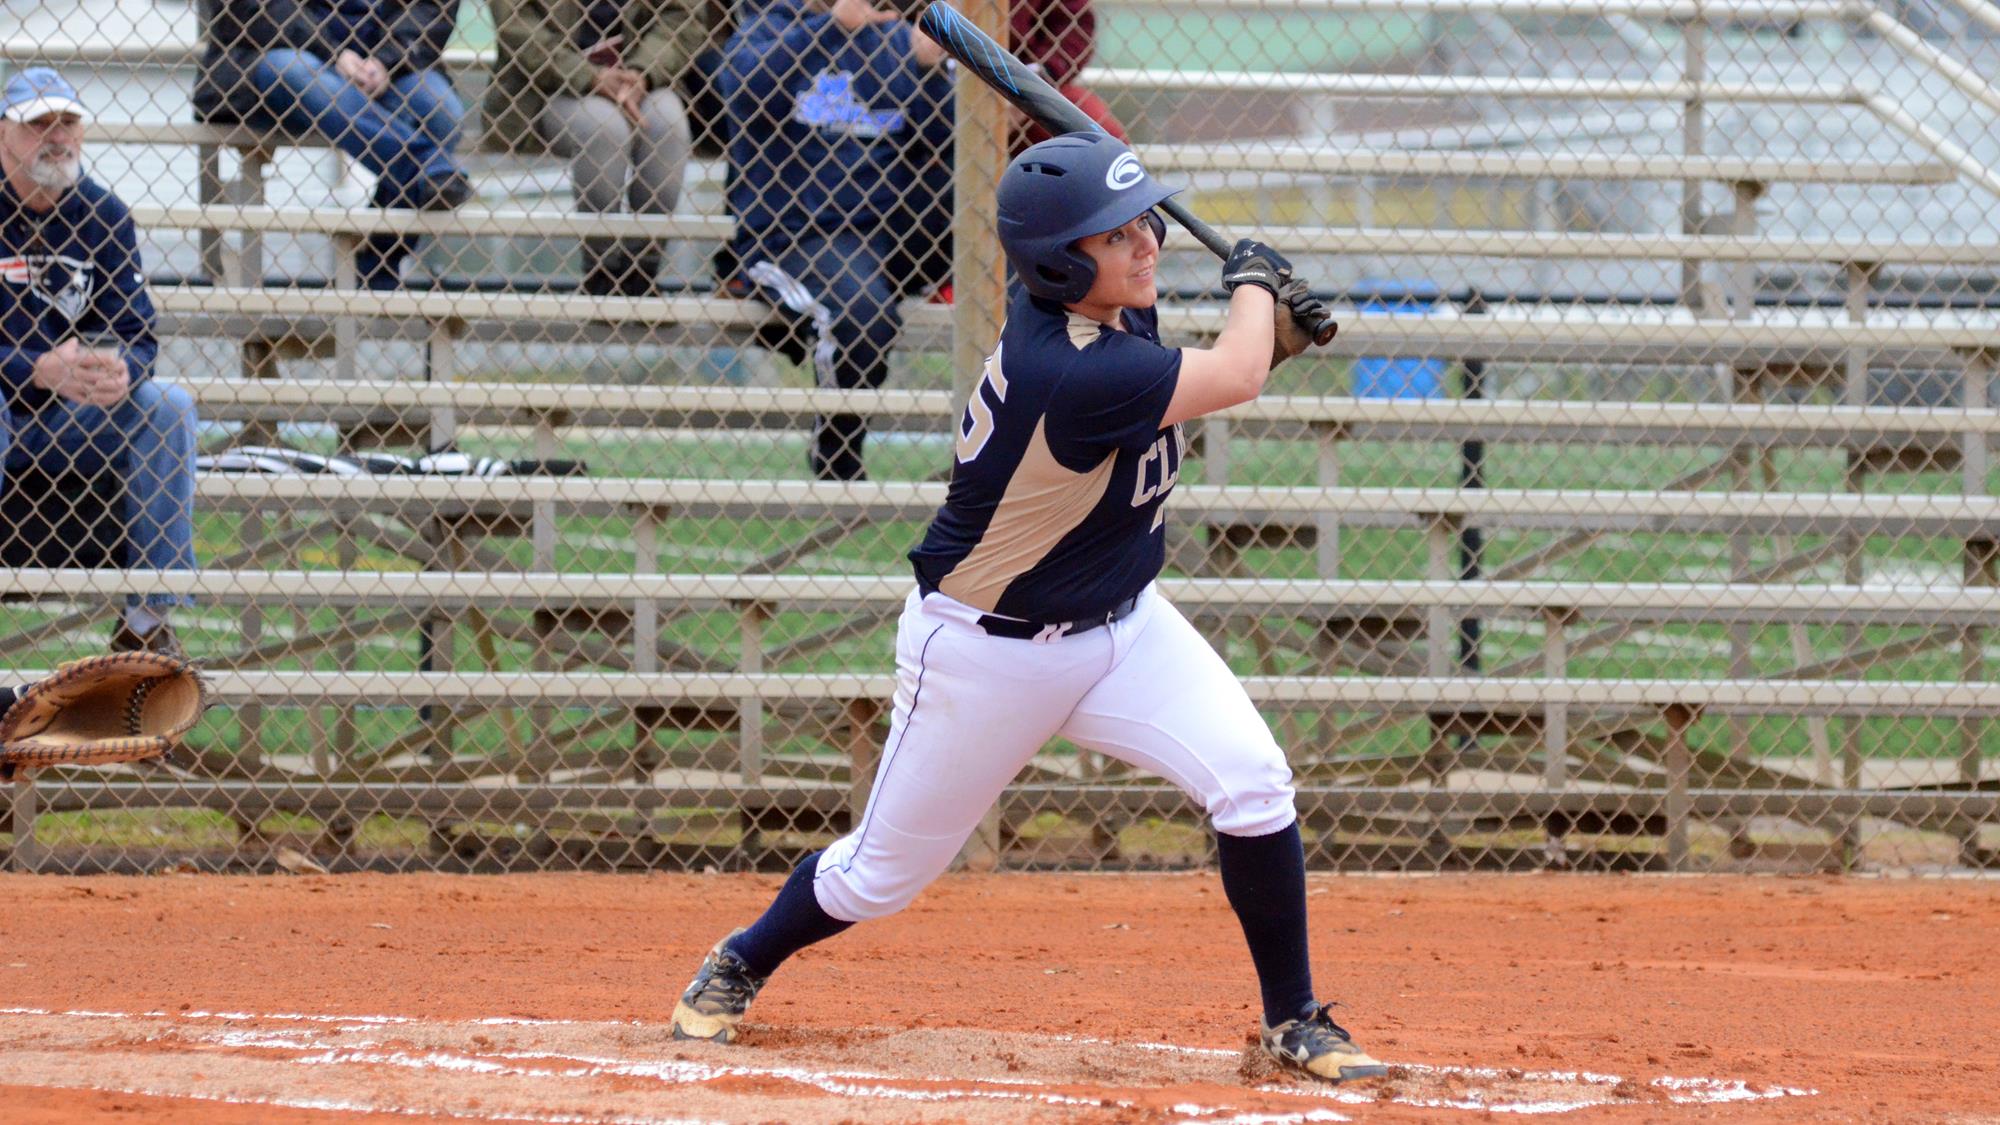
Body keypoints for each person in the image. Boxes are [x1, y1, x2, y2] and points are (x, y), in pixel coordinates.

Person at [670, 133, 1385, 1084]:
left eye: (1142, 223)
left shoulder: (1102, 314)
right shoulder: (1069, 369)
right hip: (985, 655)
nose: (1145, 246)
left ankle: (1293, 1016)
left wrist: (1269, 330)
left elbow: (1212, 377)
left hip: (1123, 626)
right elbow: (1238, 374)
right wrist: (1255, 287)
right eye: (1114, 235)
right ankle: (743, 957)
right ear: (1056, 263)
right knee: (877, 876)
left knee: (1254, 780)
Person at [0, 70, 198, 657]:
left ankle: (146, 622)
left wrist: (123, 371)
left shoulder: (103, 213)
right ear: (3, 133)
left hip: (74, 417)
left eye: (69, 122)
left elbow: (138, 332)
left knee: (168, 406)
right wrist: (33, 368)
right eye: (39, 124)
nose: (57, 137)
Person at [720, 0, 954, 481]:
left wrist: (929, 71)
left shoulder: (891, 40)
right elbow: (745, 87)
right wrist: (830, 28)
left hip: (886, 232)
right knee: (863, 317)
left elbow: (941, 138)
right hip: (795, 235)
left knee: (996, 218)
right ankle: (837, 448)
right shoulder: (766, 26)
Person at [193, 0, 472, 288]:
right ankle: (425, 166)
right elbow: (252, 10)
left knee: (442, 113)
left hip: (388, 63)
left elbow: (432, 9)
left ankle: (376, 257)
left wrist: (388, 59)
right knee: (292, 69)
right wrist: (331, 51)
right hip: (284, 55)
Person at [485, 0, 706, 297]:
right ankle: (602, 273)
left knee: (668, 126)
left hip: (643, 78)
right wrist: (589, 76)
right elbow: (517, 24)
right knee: (604, 129)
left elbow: (683, 17)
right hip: (549, 86)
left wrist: (643, 72)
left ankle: (640, 273)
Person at [1011, 0, 1125, 150]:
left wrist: (1031, 82)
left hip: (1023, 73)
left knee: (1103, 142)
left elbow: (1075, 24)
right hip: (974, 78)